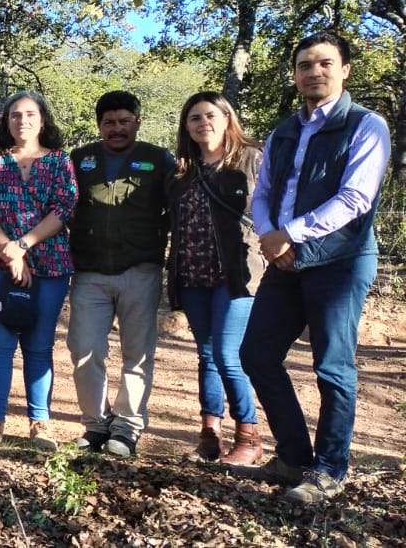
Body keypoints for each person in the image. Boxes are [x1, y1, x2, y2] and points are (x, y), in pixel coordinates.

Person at [243, 31, 389, 504]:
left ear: (344, 70)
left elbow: (355, 198)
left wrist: (290, 234)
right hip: (283, 260)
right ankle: (293, 457)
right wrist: (269, 237)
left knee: (331, 367)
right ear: (295, 74)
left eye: (325, 63)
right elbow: (263, 192)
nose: (314, 72)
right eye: (305, 65)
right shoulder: (283, 130)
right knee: (257, 355)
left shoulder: (367, 125)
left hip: (340, 263)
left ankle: (328, 469)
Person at [66, 90, 171, 458]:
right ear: (99, 126)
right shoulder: (80, 160)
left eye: (124, 121)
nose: (117, 128)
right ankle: (95, 424)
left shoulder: (158, 160)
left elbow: (176, 209)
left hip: (140, 269)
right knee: (84, 349)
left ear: (137, 122)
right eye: (109, 122)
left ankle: (126, 429)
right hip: (90, 271)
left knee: (137, 354)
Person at [0, 90, 77, 451]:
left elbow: (64, 209)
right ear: (7, 122)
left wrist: (23, 246)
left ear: (42, 120)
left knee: (38, 345)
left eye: (30, 114)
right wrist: (9, 252)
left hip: (50, 265)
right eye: (15, 115)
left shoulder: (60, 162)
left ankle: (40, 424)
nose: (22, 121)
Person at [166, 91, 264, 466]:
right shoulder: (180, 171)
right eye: (194, 118)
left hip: (236, 274)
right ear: (186, 127)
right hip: (191, 272)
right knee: (206, 356)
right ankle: (210, 436)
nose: (203, 122)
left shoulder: (252, 160)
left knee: (227, 354)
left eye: (210, 115)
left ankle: (249, 435)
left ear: (227, 118)